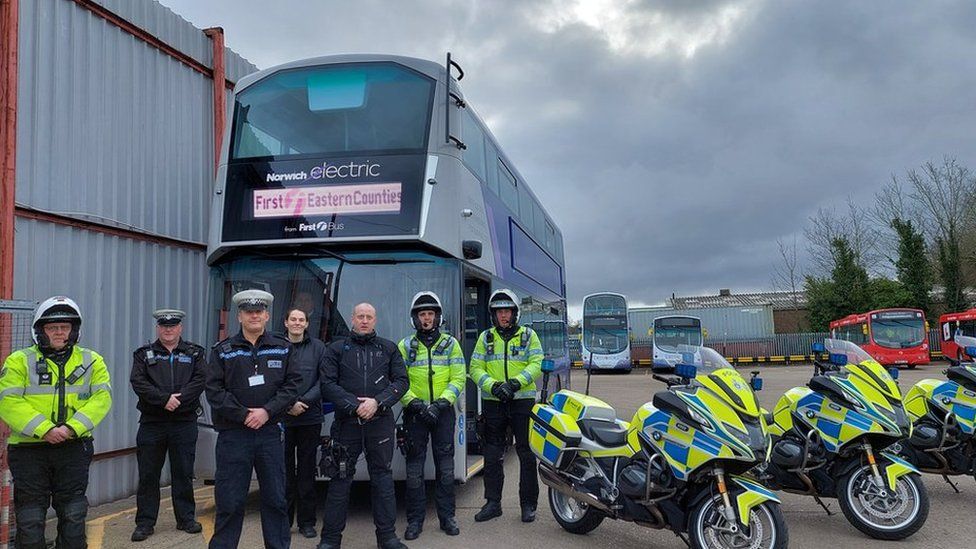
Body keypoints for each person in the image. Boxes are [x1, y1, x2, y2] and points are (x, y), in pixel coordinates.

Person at [0, 296, 112, 549]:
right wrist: (45, 429)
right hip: (29, 450)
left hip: (73, 448)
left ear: (74, 330)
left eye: (65, 326)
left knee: (73, 514)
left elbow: (101, 399)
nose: (60, 332)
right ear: (40, 330)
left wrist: (71, 428)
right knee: (30, 519)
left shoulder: (91, 360)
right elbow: (8, 401)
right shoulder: (19, 361)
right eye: (52, 327)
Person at [206, 290, 302, 549]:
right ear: (240, 316)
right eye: (249, 312)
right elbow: (214, 390)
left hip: (269, 434)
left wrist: (267, 412)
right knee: (230, 501)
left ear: (267, 315)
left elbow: (292, 385)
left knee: (275, 500)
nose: (254, 316)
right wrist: (244, 415)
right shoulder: (223, 351)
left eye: (259, 312)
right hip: (234, 436)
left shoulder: (283, 348)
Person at [318, 303, 409, 549]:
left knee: (382, 479)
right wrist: (354, 405)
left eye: (369, 316)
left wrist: (378, 403)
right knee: (340, 481)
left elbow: (402, 381)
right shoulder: (336, 349)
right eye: (361, 316)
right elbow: (327, 384)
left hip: (380, 424)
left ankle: (387, 537)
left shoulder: (388, 348)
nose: (365, 320)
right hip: (347, 423)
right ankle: (330, 539)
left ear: (375, 320)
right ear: (352, 319)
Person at [129, 309, 207, 542]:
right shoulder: (144, 354)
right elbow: (138, 382)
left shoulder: (194, 353)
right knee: (148, 475)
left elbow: (201, 380)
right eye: (164, 326)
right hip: (153, 423)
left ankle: (185, 519)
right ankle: (144, 523)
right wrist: (164, 400)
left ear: (180, 328)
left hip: (184, 422)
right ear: (158, 328)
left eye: (173, 326)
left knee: (183, 472)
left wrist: (179, 400)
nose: (168, 329)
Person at [469, 289, 544, 523]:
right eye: (499, 311)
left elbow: (537, 363)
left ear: (515, 313)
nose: (503, 316)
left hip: (522, 401)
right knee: (492, 455)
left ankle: (528, 504)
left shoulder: (528, 335)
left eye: (507, 311)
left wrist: (515, 383)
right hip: (494, 403)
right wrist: (493, 386)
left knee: (526, 453)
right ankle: (493, 504)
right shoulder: (485, 338)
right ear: (493, 314)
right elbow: (474, 368)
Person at [398, 292, 465, 540]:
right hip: (415, 414)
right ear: (415, 319)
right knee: (414, 470)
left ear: (438, 318)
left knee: (446, 469)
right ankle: (415, 520)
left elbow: (458, 377)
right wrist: (414, 403)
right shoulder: (404, 345)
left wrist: (439, 404)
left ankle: (447, 517)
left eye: (430, 314)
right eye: (422, 315)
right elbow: (399, 380)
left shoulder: (451, 344)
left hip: (442, 413)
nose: (426, 318)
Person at [281, 307, 326, 539]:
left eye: (301, 320)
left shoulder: (319, 348)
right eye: (293, 319)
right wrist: (289, 405)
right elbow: (272, 381)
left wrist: (303, 402)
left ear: (307, 324)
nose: (297, 323)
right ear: (286, 323)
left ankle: (307, 522)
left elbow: (324, 380)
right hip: (281, 419)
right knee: (283, 473)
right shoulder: (275, 346)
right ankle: (284, 522)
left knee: (307, 472)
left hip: (309, 418)